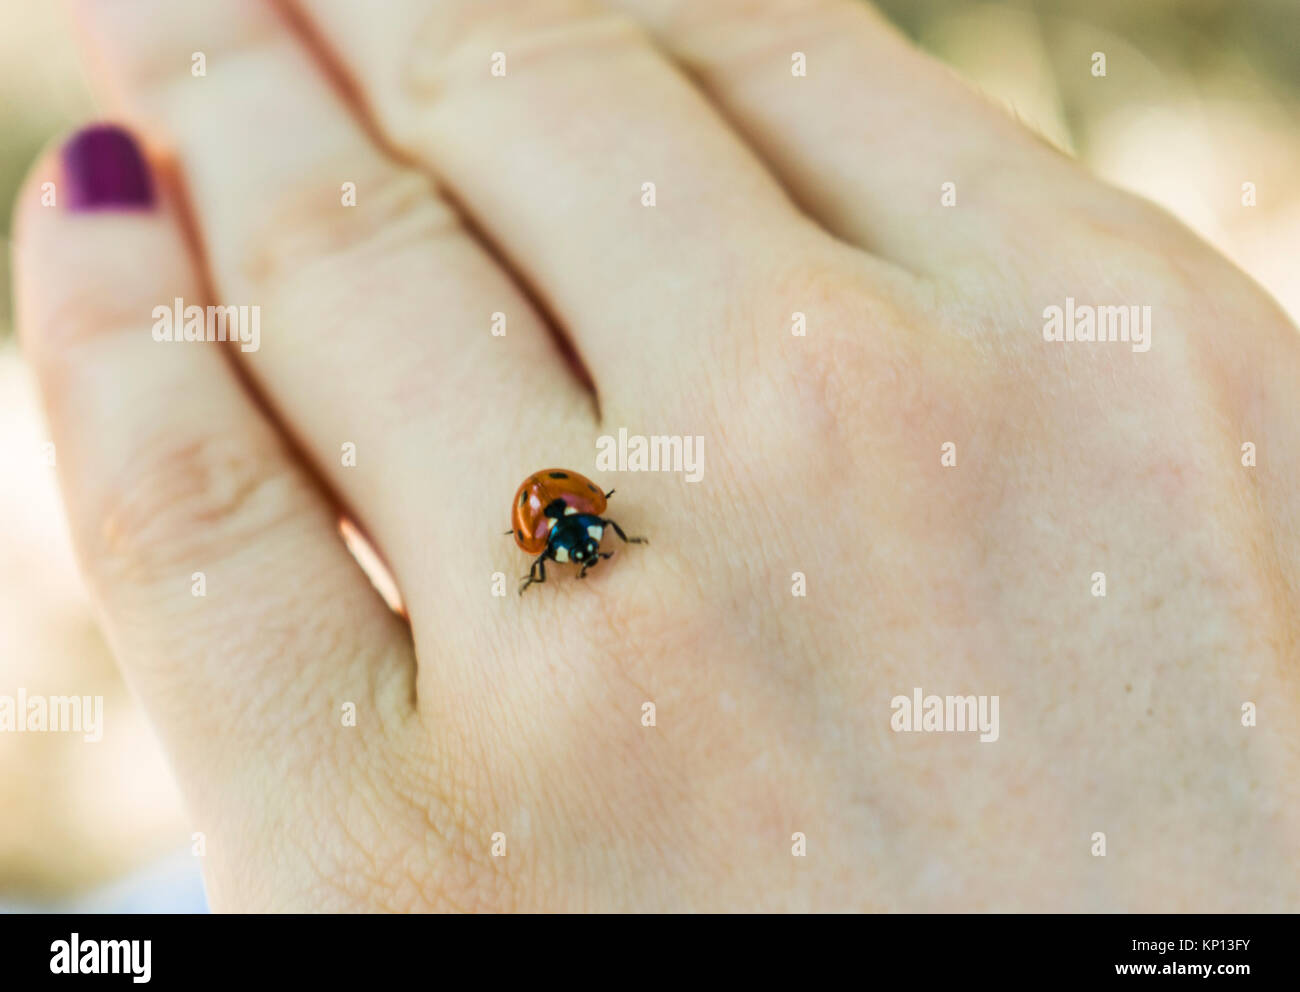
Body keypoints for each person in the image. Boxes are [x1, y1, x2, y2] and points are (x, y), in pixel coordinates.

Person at [13, 0, 1300, 911]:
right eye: (571, 543)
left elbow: (583, 530)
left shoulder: (572, 532)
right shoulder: (574, 531)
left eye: (575, 542)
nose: (577, 550)